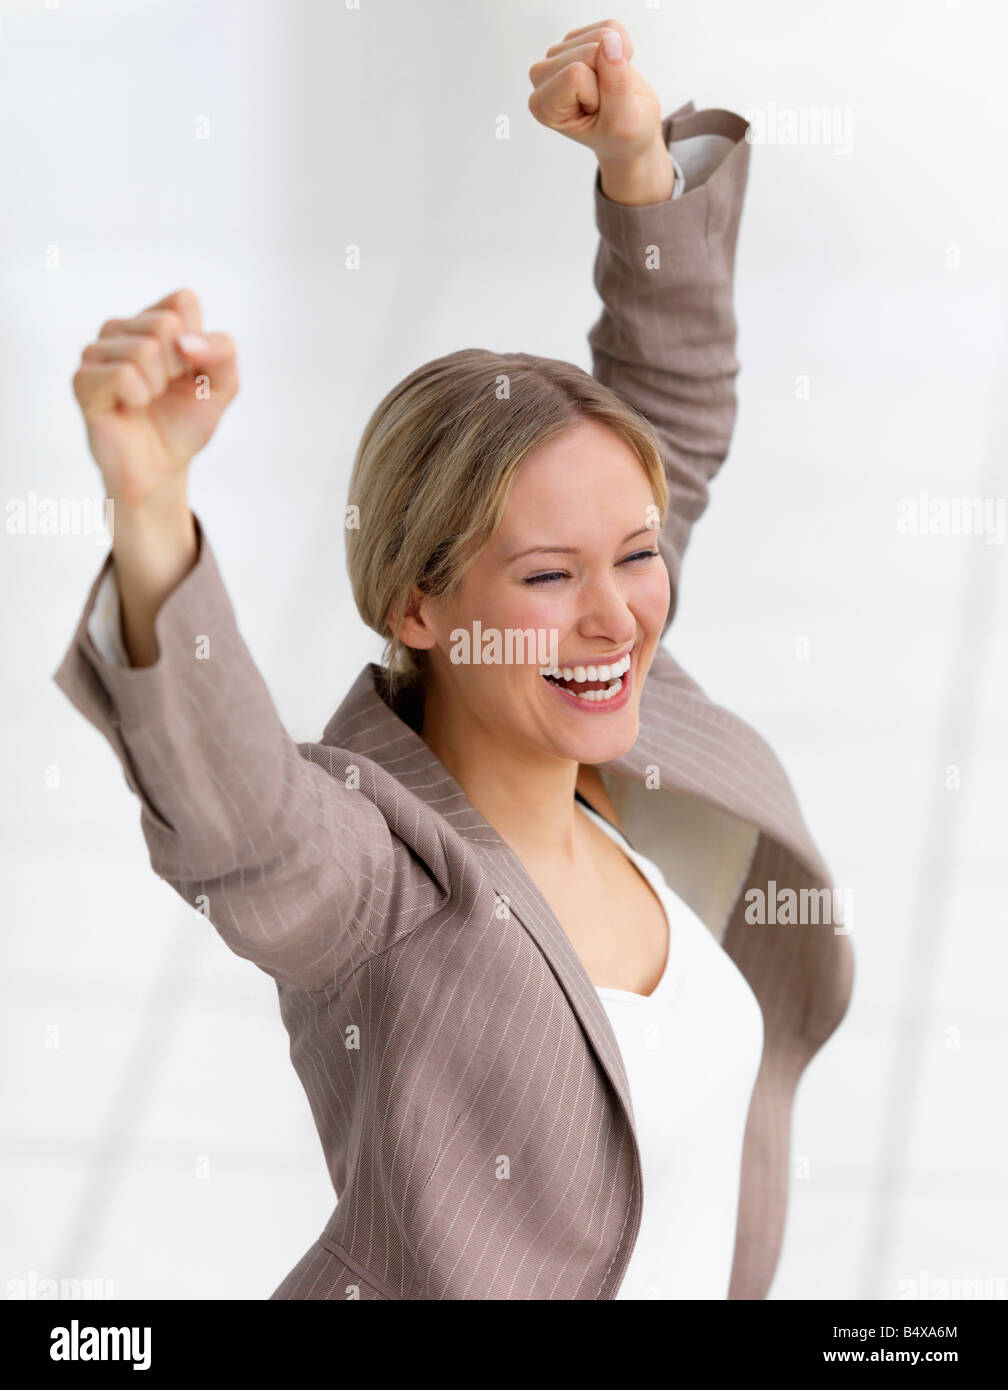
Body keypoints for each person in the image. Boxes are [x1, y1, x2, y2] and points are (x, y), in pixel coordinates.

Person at [53, 19, 854, 1299]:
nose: (620, 617)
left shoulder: (598, 728)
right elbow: (243, 824)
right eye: (547, 575)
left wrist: (638, 167)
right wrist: (151, 508)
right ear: (419, 606)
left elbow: (673, 421)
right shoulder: (388, 875)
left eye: (636, 555)